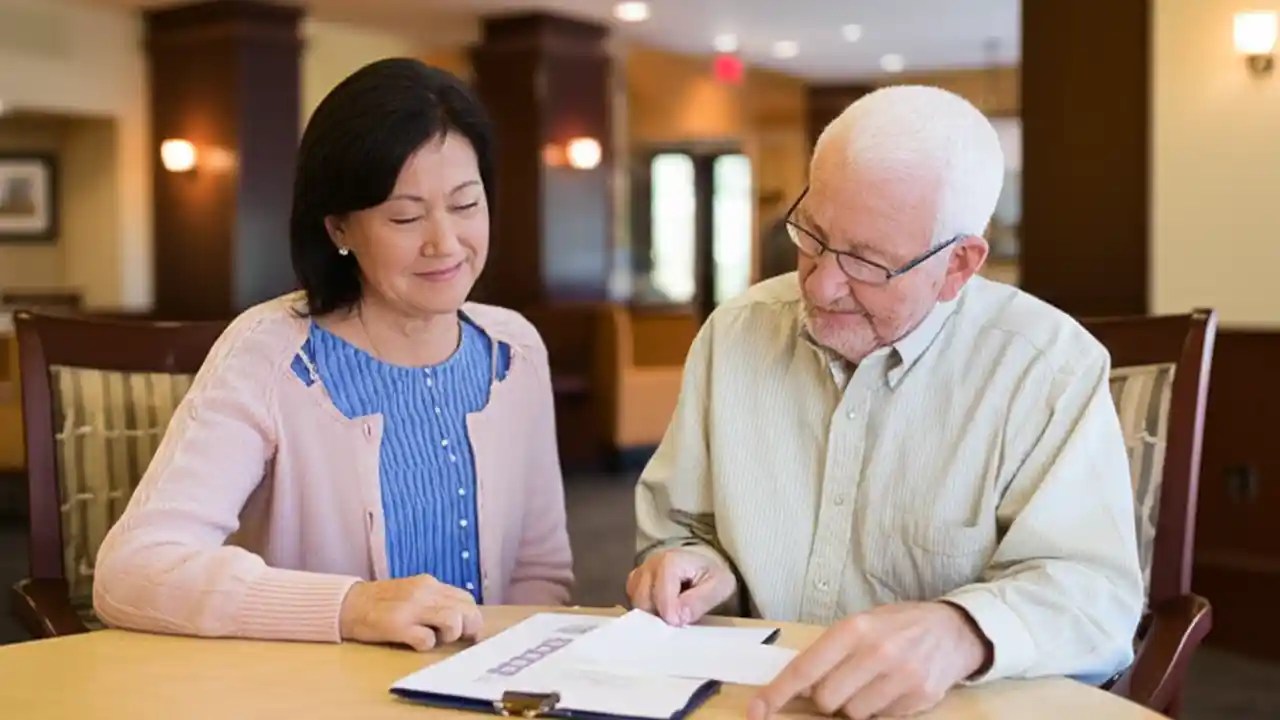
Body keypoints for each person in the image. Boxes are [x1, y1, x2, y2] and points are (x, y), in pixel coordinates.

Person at [627, 85, 1144, 719]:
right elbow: (681, 527)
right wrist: (692, 563)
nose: (820, 283)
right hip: (754, 701)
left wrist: (962, 631)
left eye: (866, 263)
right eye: (812, 236)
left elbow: (1096, 597)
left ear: (959, 264)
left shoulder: (1046, 369)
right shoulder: (734, 335)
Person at [94, 59, 573, 651]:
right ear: (339, 228)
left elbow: (540, 575)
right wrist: (347, 607)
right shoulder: (270, 355)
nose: (445, 243)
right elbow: (133, 570)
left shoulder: (514, 350)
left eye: (466, 204)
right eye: (405, 215)